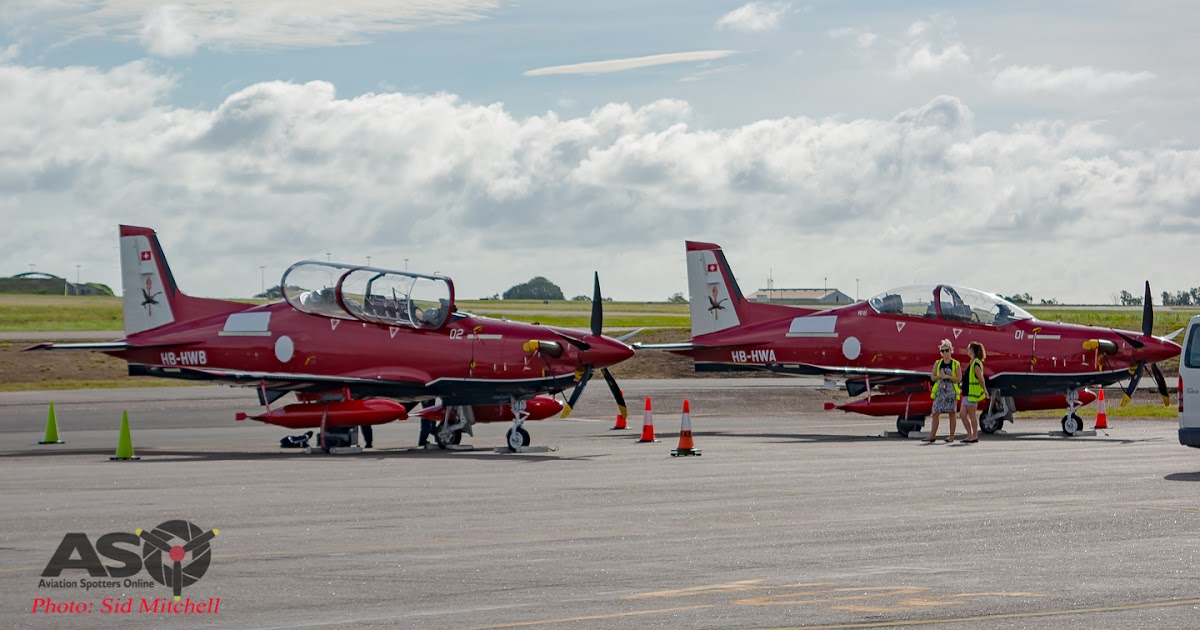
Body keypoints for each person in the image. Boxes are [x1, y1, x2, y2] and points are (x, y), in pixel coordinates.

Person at [923, 339, 961, 443]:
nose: (945, 353)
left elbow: (959, 378)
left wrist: (948, 376)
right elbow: (933, 377)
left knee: (951, 413)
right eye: (942, 351)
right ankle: (932, 435)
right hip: (940, 391)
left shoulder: (955, 364)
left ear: (951, 350)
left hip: (951, 391)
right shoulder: (938, 363)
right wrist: (940, 376)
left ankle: (951, 436)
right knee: (935, 412)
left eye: (947, 350)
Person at [958, 342, 987, 443]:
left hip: (972, 394)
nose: (967, 350)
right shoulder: (972, 362)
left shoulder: (976, 363)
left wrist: (985, 390)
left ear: (972, 350)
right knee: (962, 414)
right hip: (967, 393)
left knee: (972, 415)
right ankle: (969, 434)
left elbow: (980, 378)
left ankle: (974, 436)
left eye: (968, 348)